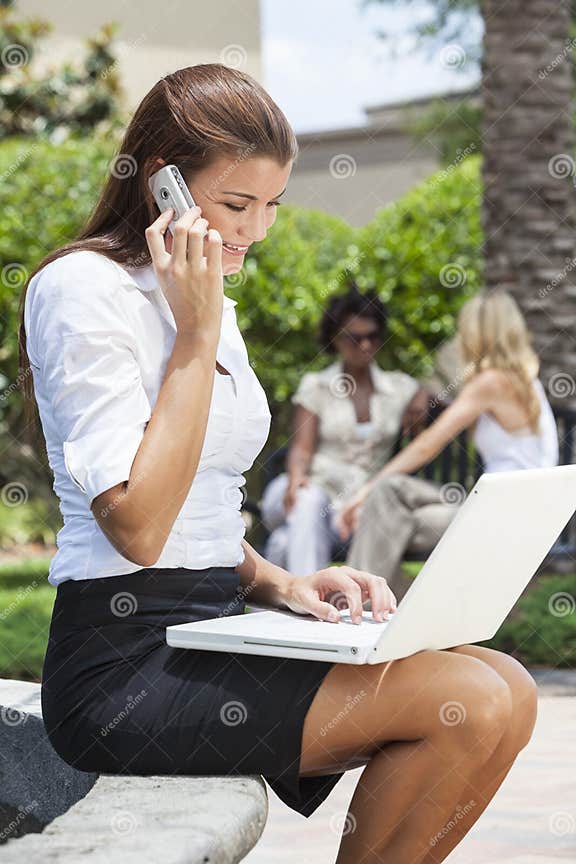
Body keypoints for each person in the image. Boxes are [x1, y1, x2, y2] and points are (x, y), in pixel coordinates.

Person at [19, 64, 538, 861]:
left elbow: (201, 509)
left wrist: (282, 583)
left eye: (272, 206)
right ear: (162, 183)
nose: (256, 231)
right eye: (236, 204)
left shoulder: (202, 297)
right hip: (123, 667)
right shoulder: (83, 289)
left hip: (217, 627)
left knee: (512, 689)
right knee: (467, 700)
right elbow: (140, 530)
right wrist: (195, 338)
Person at [336, 289, 559, 603]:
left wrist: (362, 493)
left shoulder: (492, 382)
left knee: (384, 515)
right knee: (387, 498)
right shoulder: (522, 380)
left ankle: (357, 605)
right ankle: (387, 606)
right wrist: (423, 392)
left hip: (505, 514)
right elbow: (442, 383)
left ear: (477, 334)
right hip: (499, 503)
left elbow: (428, 444)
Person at [260, 282, 431, 575]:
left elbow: (447, 385)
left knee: (283, 543)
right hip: (310, 493)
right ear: (335, 338)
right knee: (307, 502)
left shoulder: (399, 388)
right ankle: (310, 594)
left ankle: (301, 595)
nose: (365, 345)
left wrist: (425, 392)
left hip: (356, 508)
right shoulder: (317, 386)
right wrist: (296, 479)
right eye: (354, 338)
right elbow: (301, 449)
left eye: (372, 336)